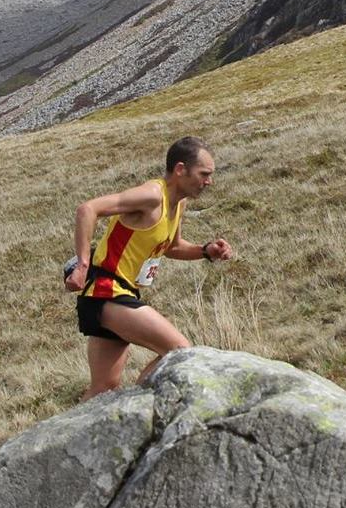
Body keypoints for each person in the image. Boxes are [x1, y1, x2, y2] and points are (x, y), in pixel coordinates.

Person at [66, 135, 234, 398]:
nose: (209, 181)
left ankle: (72, 436)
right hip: (106, 290)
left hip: (119, 294)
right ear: (180, 169)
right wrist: (82, 265)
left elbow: (173, 247)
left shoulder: (178, 203)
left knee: (103, 390)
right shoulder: (152, 195)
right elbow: (87, 209)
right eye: (204, 174)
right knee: (179, 351)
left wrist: (205, 250)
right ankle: (140, 407)